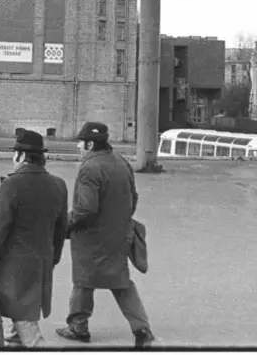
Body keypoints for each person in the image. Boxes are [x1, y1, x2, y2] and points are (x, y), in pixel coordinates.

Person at [57, 121, 155, 348]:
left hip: (91, 238)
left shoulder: (90, 168)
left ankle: (78, 326)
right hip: (119, 235)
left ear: (90, 144)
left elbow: (85, 210)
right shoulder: (121, 163)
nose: (79, 149)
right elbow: (134, 198)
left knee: (83, 280)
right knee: (121, 283)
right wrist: (120, 221)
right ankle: (142, 329)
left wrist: (63, 225)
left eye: (81, 144)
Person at [0, 129, 69, 348]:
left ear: (20, 156)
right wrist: (53, 258)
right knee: (17, 324)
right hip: (42, 262)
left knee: (25, 324)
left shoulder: (12, 185)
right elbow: (60, 228)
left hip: (14, 267)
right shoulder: (59, 185)